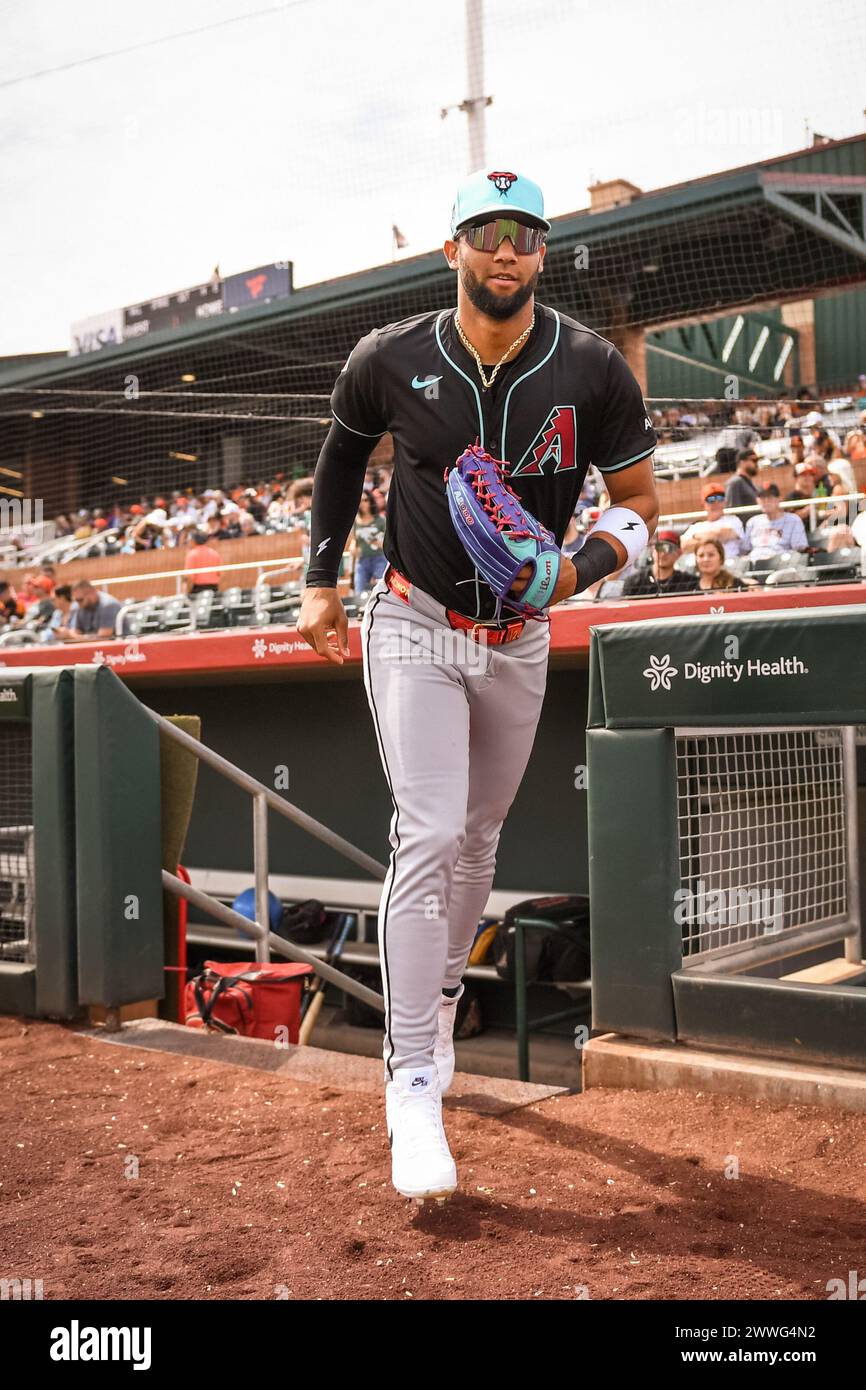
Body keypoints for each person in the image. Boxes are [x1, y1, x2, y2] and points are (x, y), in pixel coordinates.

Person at [296, 165, 659, 1205]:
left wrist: (575, 567)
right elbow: (337, 458)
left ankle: (443, 993)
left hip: (518, 633)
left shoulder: (589, 366)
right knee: (432, 827)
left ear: (542, 254)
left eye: (527, 234)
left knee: (482, 839)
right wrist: (319, 582)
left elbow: (637, 500)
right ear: (450, 249)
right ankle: (411, 1076)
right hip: (411, 617)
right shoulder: (389, 357)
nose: (507, 249)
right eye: (486, 231)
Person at [679, 480, 746, 561]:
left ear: (725, 502)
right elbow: (683, 546)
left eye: (720, 498)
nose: (716, 502)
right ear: (703, 504)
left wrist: (696, 536)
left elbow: (721, 534)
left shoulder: (733, 520)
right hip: (698, 566)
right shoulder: (696, 526)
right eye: (711, 499)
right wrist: (713, 537)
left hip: (727, 564)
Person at [622, 530, 696, 596]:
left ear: (679, 553)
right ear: (652, 551)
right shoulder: (634, 582)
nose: (663, 554)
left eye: (669, 549)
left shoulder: (688, 582)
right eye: (659, 547)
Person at [744, 483, 808, 559]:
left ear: (779, 499)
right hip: (755, 564)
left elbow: (800, 549)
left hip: (781, 564)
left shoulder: (793, 520)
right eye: (762, 497)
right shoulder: (752, 522)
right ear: (757, 500)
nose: (766, 501)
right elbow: (745, 549)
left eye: (770, 497)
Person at [55, 580, 122, 641]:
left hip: (116, 648)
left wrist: (72, 636)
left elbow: (103, 637)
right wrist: (65, 633)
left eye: (80, 600)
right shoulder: (79, 606)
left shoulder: (108, 605)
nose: (77, 603)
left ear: (92, 593)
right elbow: (77, 631)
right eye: (76, 600)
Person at [350, 492, 387, 593]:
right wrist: (352, 547)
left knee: (382, 591)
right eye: (360, 501)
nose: (363, 503)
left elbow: (388, 541)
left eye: (366, 500)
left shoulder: (380, 520)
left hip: (379, 559)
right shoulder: (356, 521)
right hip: (362, 560)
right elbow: (354, 539)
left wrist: (378, 542)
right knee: (359, 592)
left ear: (371, 501)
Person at [724, 448, 760, 513]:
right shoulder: (735, 482)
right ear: (742, 462)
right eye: (754, 460)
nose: (757, 464)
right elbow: (732, 511)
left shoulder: (746, 481)